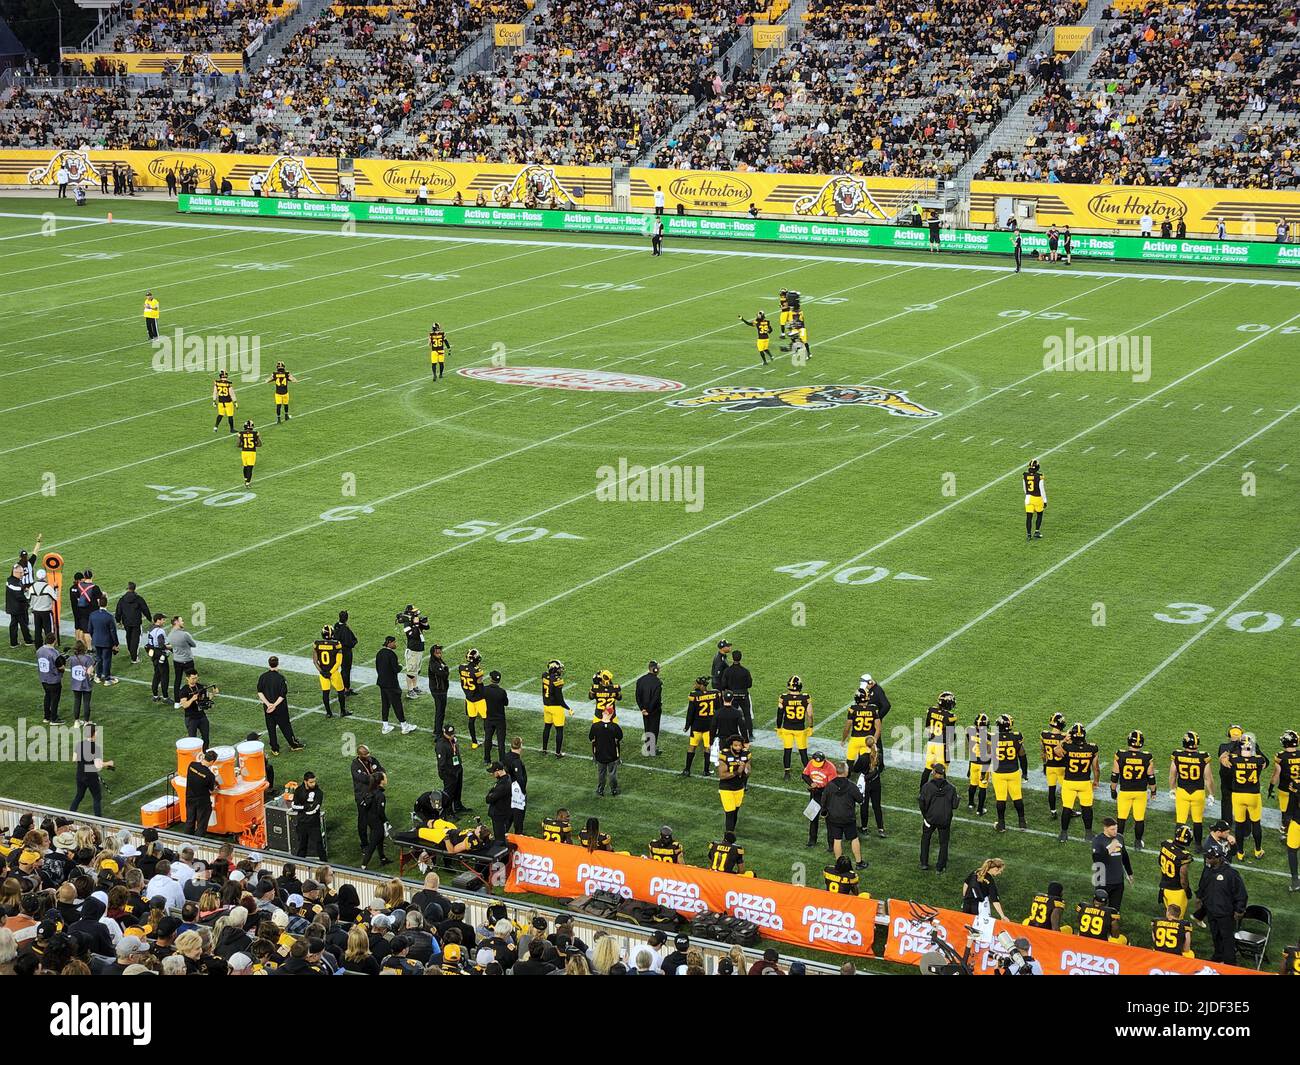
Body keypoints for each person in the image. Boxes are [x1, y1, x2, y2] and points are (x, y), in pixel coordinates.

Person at [1221, 734, 1269, 860]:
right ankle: (1258, 850)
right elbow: (1265, 762)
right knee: (1256, 824)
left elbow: (1223, 759)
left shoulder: (1234, 759)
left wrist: (1231, 750)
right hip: (1253, 795)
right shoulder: (1259, 760)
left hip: (1238, 795)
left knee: (1239, 825)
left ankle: (1240, 853)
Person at [1195, 849, 1247, 965]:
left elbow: (1241, 893)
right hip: (1211, 911)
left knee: (1227, 939)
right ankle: (1218, 956)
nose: (1207, 859)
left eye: (1210, 857)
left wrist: (1239, 910)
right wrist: (1199, 897)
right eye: (1207, 857)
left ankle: (1230, 963)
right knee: (1215, 936)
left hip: (1225, 913)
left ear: (1218, 859)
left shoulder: (1231, 874)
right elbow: (1202, 885)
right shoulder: (1207, 870)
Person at [1112, 728, 1156, 847]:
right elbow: (1151, 777)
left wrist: (1113, 789)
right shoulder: (1147, 757)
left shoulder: (1120, 755)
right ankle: (1137, 841)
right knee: (1139, 818)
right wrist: (1153, 791)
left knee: (1121, 818)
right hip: (1140, 792)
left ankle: (1119, 841)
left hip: (1125, 791)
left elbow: (1115, 775)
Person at [1170, 729, 1212, 849]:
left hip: (1182, 791)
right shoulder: (1203, 757)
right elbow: (1208, 778)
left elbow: (1173, 774)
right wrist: (1211, 794)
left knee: (1180, 820)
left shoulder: (1177, 755)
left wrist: (1172, 788)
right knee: (1197, 820)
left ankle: (1178, 844)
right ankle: (1198, 845)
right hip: (1198, 792)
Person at [1057, 722, 1099, 841]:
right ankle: (1089, 834)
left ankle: (1063, 834)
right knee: (1087, 808)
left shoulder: (1067, 747)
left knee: (1067, 808)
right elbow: (1096, 768)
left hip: (1069, 782)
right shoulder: (1092, 748)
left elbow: (1056, 751)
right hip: (1085, 783)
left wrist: (1063, 740)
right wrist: (1096, 780)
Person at [821, 762, 865, 869]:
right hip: (848, 817)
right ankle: (859, 863)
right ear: (846, 772)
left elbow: (823, 801)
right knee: (854, 838)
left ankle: (838, 864)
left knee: (837, 839)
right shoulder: (851, 786)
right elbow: (860, 799)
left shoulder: (830, 785)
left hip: (834, 817)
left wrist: (825, 811)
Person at [257, 655, 302, 753]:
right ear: (278, 664)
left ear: (269, 664)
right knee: (286, 726)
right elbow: (282, 695)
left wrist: (268, 704)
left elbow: (259, 692)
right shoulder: (280, 678)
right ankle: (293, 744)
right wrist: (274, 705)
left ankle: (275, 748)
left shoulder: (263, 677)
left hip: (267, 708)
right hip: (280, 708)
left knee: (271, 728)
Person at [919, 762, 959, 872]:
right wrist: (958, 798)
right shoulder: (951, 788)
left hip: (930, 818)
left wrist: (925, 816)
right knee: (944, 843)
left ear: (934, 772)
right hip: (944, 820)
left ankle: (924, 863)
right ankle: (940, 867)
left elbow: (922, 803)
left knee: (925, 840)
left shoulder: (926, 787)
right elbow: (955, 805)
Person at [70, 721, 113, 817]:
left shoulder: (79, 744)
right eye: (96, 732)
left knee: (79, 796)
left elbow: (74, 759)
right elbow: (98, 765)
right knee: (97, 798)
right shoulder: (95, 747)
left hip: (80, 775)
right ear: (93, 733)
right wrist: (109, 763)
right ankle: (98, 819)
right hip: (91, 776)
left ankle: (69, 814)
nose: (97, 733)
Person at [1091, 817, 1133, 913]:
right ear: (1105, 828)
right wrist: (1111, 849)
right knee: (1098, 910)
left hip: (1118, 881)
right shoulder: (1097, 840)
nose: (1115, 831)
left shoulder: (1120, 837)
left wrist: (1129, 873)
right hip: (1103, 881)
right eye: (1112, 829)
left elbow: (1125, 856)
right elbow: (1097, 861)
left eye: (1116, 828)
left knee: (1114, 911)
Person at [374, 635, 412, 734]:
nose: (396, 644)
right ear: (389, 642)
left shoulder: (379, 653)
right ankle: (404, 726)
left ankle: (385, 726)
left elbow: (378, 667)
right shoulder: (391, 655)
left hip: (382, 683)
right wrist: (401, 666)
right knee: (397, 704)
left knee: (385, 704)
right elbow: (396, 669)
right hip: (391, 684)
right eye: (394, 642)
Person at [777, 674, 813, 778]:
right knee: (803, 752)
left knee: (787, 751)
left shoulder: (783, 697)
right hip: (800, 729)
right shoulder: (806, 697)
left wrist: (779, 727)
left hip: (787, 728)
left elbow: (779, 713)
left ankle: (787, 773)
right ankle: (807, 773)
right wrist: (810, 726)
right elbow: (810, 714)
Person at [350, 746, 384, 850]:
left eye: (368, 753)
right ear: (359, 755)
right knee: (363, 821)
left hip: (374, 795)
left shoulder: (372, 760)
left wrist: (379, 775)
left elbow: (381, 770)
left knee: (377, 819)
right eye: (365, 754)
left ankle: (377, 841)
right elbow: (363, 778)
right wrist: (376, 777)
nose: (368, 755)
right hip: (363, 797)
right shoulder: (355, 765)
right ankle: (364, 845)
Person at [1157, 824, 1195, 918]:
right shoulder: (1184, 856)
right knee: (1176, 920)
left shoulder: (1166, 844)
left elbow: (1160, 862)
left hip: (1164, 887)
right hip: (1176, 891)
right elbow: (1183, 878)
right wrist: (1187, 890)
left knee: (1169, 915)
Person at [682, 676, 717, 777]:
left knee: (692, 746)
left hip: (696, 726)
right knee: (707, 747)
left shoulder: (694, 696)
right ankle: (706, 770)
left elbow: (690, 713)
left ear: (701, 685)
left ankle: (687, 770)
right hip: (708, 726)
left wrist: (687, 725)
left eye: (697, 683)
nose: (695, 685)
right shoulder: (713, 694)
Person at [311, 624, 348, 719]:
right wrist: (330, 672)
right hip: (334, 672)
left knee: (325, 692)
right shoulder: (336, 644)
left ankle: (328, 713)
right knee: (340, 691)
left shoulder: (317, 644)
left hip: (323, 672)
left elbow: (315, 661)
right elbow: (339, 661)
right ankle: (343, 711)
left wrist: (322, 672)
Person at [802, 751, 837, 848]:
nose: (817, 765)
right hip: (815, 793)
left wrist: (820, 790)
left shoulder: (830, 768)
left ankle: (831, 844)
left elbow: (832, 786)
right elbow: (804, 775)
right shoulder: (811, 763)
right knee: (813, 817)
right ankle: (812, 840)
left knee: (829, 819)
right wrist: (811, 784)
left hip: (826, 795)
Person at [717, 735, 751, 835]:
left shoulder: (746, 754)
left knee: (735, 811)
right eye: (735, 745)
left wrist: (745, 769)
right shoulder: (724, 754)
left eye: (739, 745)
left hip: (739, 788)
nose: (738, 748)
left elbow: (748, 771)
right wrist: (737, 772)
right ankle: (728, 838)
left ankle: (731, 833)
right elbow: (722, 775)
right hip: (726, 788)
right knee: (730, 813)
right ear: (731, 745)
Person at [113, 581, 151, 665]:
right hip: (136, 622)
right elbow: (145, 609)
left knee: (129, 636)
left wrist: (118, 620)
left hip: (126, 622)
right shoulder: (138, 598)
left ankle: (131, 651)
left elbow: (118, 610)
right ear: (134, 588)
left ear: (128, 588)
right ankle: (134, 657)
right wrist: (149, 618)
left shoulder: (122, 599)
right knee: (135, 639)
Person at [178, 669, 217, 748]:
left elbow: (206, 698)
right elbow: (184, 705)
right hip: (191, 718)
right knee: (193, 740)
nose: (195, 680)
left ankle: (205, 753)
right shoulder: (184, 690)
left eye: (196, 678)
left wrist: (214, 693)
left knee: (206, 738)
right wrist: (192, 699)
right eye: (193, 678)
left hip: (202, 716)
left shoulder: (200, 686)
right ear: (187, 678)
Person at [590, 706, 623, 798]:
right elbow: (619, 737)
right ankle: (614, 790)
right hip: (612, 754)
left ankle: (600, 790)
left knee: (601, 774)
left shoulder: (595, 726)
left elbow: (591, 738)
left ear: (603, 713)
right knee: (612, 773)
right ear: (611, 714)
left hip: (600, 754)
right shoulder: (614, 727)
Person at [720, 650, 753, 740]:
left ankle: (732, 733)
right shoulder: (745, 671)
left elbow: (723, 685)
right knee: (747, 715)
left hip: (732, 695)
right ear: (740, 658)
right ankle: (750, 734)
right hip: (743, 695)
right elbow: (749, 684)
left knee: (732, 714)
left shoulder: (727, 671)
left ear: (732, 658)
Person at [292, 772, 326, 860]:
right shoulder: (298, 791)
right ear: (305, 781)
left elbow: (316, 808)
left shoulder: (319, 792)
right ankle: (299, 864)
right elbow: (294, 806)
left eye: (314, 781)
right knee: (302, 845)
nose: (313, 784)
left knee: (319, 845)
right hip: (302, 823)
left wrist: (305, 810)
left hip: (314, 824)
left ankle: (325, 865)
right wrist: (305, 807)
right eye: (311, 782)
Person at [360, 772, 390, 870]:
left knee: (380, 838)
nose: (386, 778)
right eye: (385, 777)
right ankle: (364, 865)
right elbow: (380, 811)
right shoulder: (380, 795)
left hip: (370, 819)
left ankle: (383, 858)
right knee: (373, 842)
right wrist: (386, 821)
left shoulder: (371, 791)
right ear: (381, 781)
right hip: (376, 821)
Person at [185, 750, 219, 836]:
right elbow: (212, 790)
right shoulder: (210, 775)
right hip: (202, 802)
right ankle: (197, 842)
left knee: (190, 820)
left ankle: (186, 839)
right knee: (201, 824)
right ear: (212, 761)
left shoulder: (192, 765)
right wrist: (217, 789)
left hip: (190, 798)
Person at [87, 595, 119, 685]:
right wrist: (116, 643)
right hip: (106, 642)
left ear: (98, 603)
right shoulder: (109, 616)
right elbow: (113, 631)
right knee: (106, 659)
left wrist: (95, 637)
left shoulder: (93, 615)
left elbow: (89, 629)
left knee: (98, 658)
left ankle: (98, 676)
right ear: (106, 604)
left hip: (96, 641)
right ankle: (107, 678)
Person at [459, 647, 486, 748]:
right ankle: (488, 740)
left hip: (469, 698)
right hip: (479, 698)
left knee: (471, 720)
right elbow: (479, 685)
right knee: (486, 719)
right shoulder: (478, 671)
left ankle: (474, 742)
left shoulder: (461, 667)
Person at [436, 726, 467, 813]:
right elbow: (441, 763)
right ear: (444, 733)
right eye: (450, 734)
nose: (452, 736)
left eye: (452, 734)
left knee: (458, 789)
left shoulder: (452, 740)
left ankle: (458, 806)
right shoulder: (441, 745)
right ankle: (448, 812)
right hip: (449, 772)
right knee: (449, 793)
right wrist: (447, 774)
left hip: (457, 768)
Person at [634, 659, 662, 755]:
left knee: (647, 727)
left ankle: (648, 747)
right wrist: (649, 710)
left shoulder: (640, 680)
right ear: (654, 670)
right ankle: (652, 749)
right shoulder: (658, 682)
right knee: (654, 729)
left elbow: (637, 696)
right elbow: (655, 699)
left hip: (644, 710)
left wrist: (642, 709)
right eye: (658, 668)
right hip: (654, 710)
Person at [167, 616, 196, 706]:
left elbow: (172, 646)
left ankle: (177, 702)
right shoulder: (185, 634)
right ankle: (193, 699)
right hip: (187, 660)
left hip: (177, 660)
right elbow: (193, 644)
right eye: (181, 621)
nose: (183, 622)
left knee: (177, 680)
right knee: (193, 679)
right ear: (176, 622)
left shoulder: (170, 635)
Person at [482, 670, 509, 763]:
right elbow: (506, 703)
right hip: (500, 719)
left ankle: (486, 759)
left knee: (488, 739)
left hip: (489, 718)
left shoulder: (485, 689)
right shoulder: (502, 692)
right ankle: (502, 760)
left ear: (491, 679)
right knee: (501, 742)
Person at [37, 633, 65, 717]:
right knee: (54, 700)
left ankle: (46, 716)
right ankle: (54, 718)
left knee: (47, 697)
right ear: (54, 641)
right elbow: (60, 667)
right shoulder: (54, 653)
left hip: (43, 679)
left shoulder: (39, 650)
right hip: (53, 680)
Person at [66, 640, 94, 722]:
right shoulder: (88, 658)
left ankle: (76, 721)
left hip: (75, 684)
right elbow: (90, 672)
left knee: (77, 701)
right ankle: (86, 722)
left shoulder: (71, 659)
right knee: (86, 703)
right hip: (86, 684)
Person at [504, 737, 527, 834]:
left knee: (508, 815)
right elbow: (520, 779)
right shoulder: (516, 761)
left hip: (507, 789)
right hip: (516, 793)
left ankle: (503, 835)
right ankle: (518, 836)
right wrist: (523, 792)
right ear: (520, 746)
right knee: (518, 817)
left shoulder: (506, 756)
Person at [485, 763, 512, 842]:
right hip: (502, 811)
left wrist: (490, 795)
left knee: (499, 838)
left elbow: (489, 799)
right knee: (501, 834)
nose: (491, 774)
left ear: (498, 771)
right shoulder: (505, 778)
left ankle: (501, 850)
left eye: (493, 772)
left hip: (499, 814)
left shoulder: (503, 785)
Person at [428, 644, 450, 736]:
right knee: (440, 711)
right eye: (438, 652)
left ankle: (438, 730)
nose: (440, 654)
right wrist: (446, 670)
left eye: (440, 652)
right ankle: (437, 732)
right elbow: (444, 674)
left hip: (441, 689)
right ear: (433, 653)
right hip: (438, 690)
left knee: (441, 711)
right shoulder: (434, 664)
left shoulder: (438, 660)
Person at [334, 610, 357, 694]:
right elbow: (350, 642)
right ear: (347, 618)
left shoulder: (336, 626)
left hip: (338, 652)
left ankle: (342, 686)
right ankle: (345, 688)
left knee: (343, 670)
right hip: (346, 652)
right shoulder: (345, 629)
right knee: (346, 670)